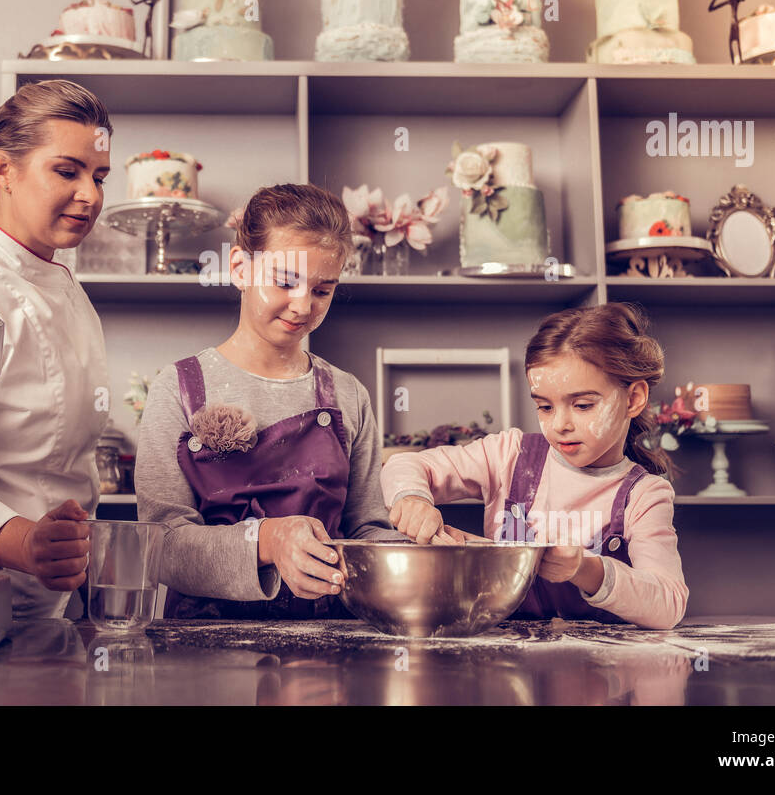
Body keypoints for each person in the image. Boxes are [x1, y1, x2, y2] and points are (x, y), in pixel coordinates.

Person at [134, 183, 406, 619]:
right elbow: (162, 545)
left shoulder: (348, 395)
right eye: (285, 281)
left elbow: (367, 529)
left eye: (322, 290)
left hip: (327, 646)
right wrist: (268, 541)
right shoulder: (179, 387)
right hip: (203, 654)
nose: (302, 306)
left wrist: (428, 552)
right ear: (240, 268)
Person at [382, 302, 688, 629]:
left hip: (602, 669)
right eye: (544, 407)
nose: (560, 424)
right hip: (504, 662)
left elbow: (668, 604)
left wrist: (585, 569)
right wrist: (411, 498)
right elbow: (404, 465)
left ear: (633, 398)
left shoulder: (644, 495)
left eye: (583, 405)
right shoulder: (509, 455)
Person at [0, 79, 112, 619]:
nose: (91, 195)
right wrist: (21, 542)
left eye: (99, 176)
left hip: (55, 603)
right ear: (3, 169)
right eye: (67, 171)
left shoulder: (68, 289)